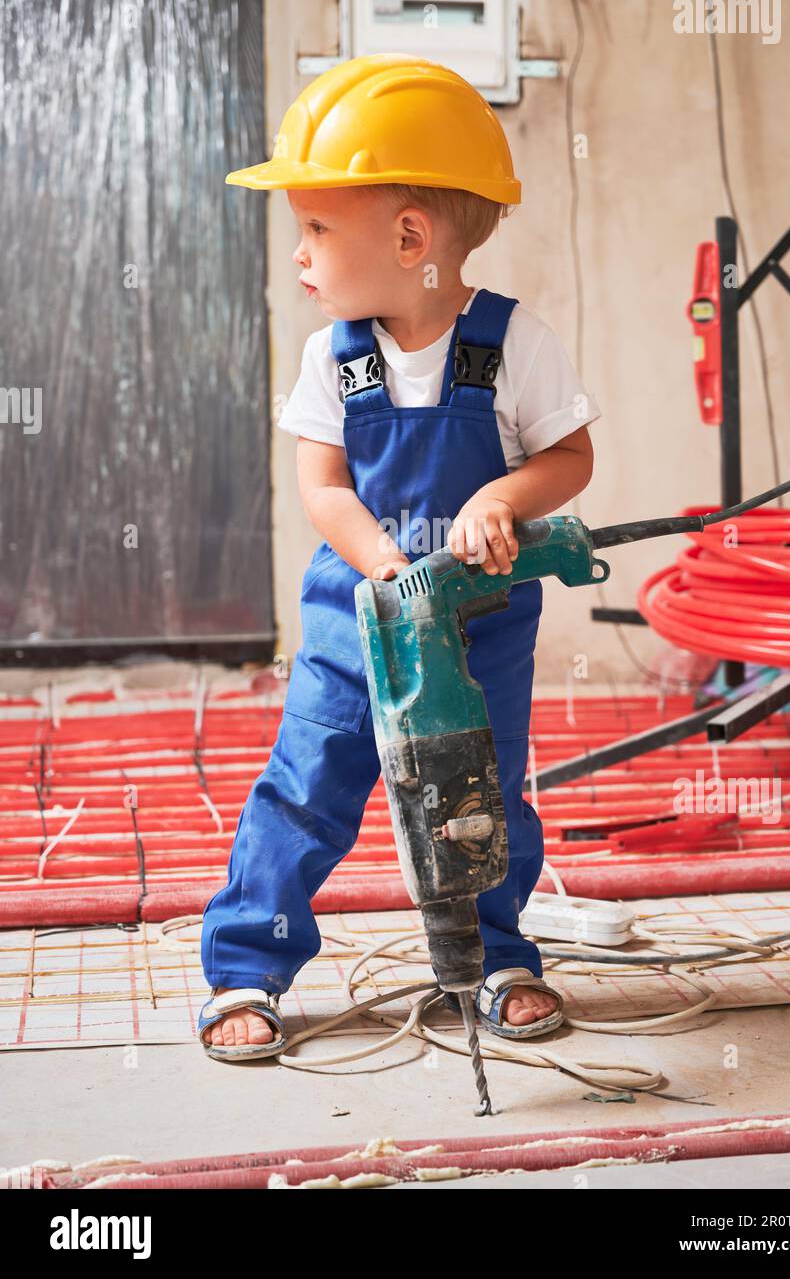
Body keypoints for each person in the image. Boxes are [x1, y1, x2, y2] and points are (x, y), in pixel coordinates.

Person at [198, 54, 601, 1061]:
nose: (300, 254)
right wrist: (384, 564)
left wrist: (501, 499)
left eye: (316, 229)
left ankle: (497, 958)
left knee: (481, 794)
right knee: (308, 785)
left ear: (410, 238)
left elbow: (570, 457)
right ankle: (246, 965)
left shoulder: (513, 345)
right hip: (357, 626)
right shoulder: (332, 357)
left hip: (480, 631)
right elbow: (323, 486)